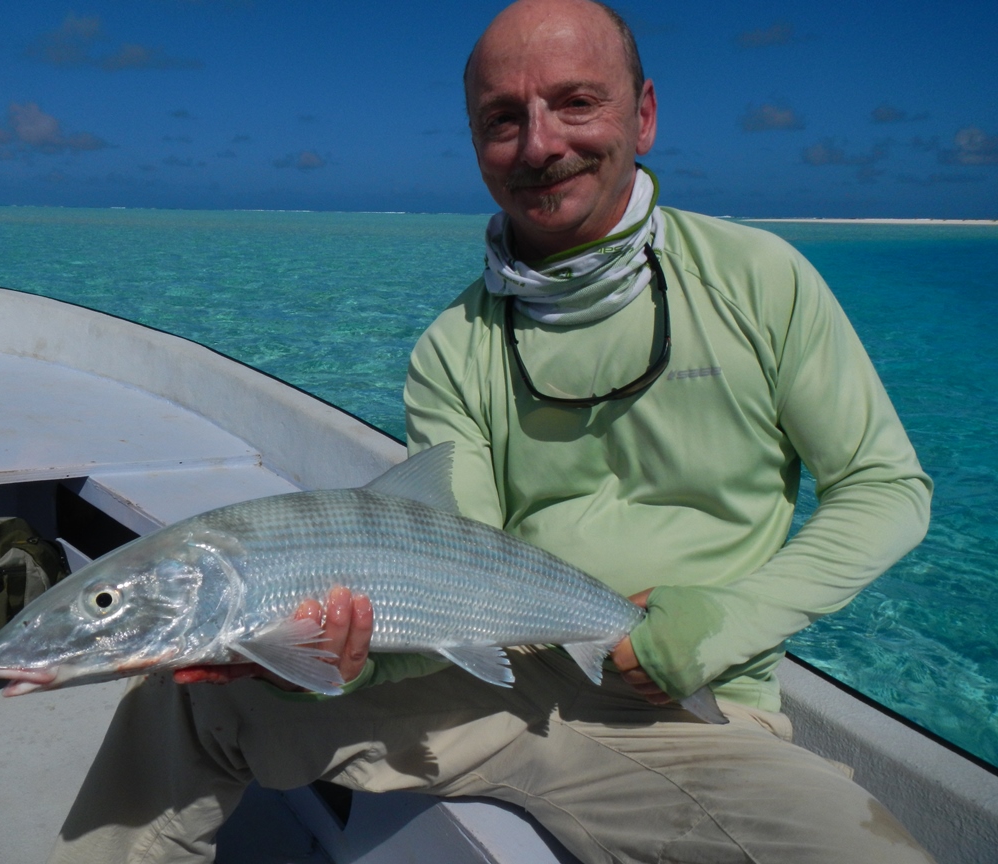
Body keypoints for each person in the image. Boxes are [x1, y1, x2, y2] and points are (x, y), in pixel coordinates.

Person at [48, 1, 935, 862]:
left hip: (690, 710)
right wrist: (344, 659)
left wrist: (723, 624)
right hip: (485, 682)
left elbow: (886, 490)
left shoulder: (760, 280)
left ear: (646, 113)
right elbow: (445, 566)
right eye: (503, 118)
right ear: (476, 144)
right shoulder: (452, 347)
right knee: (185, 699)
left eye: (577, 102)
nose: (542, 144)